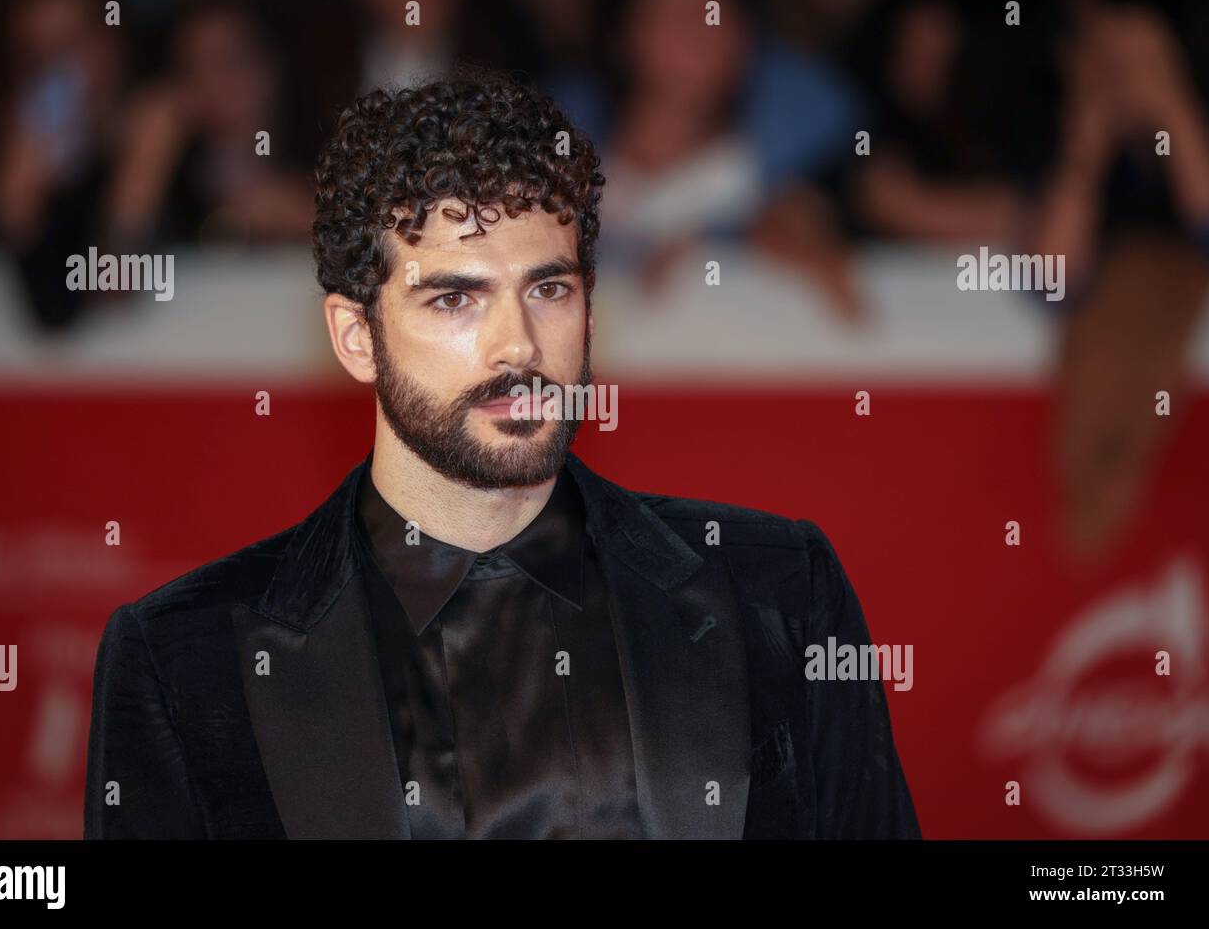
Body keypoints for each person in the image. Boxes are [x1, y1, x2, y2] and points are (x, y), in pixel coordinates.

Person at [83, 66, 920, 839]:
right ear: (355, 337)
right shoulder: (182, 660)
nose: (518, 346)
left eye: (548, 289)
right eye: (455, 298)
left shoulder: (776, 590)